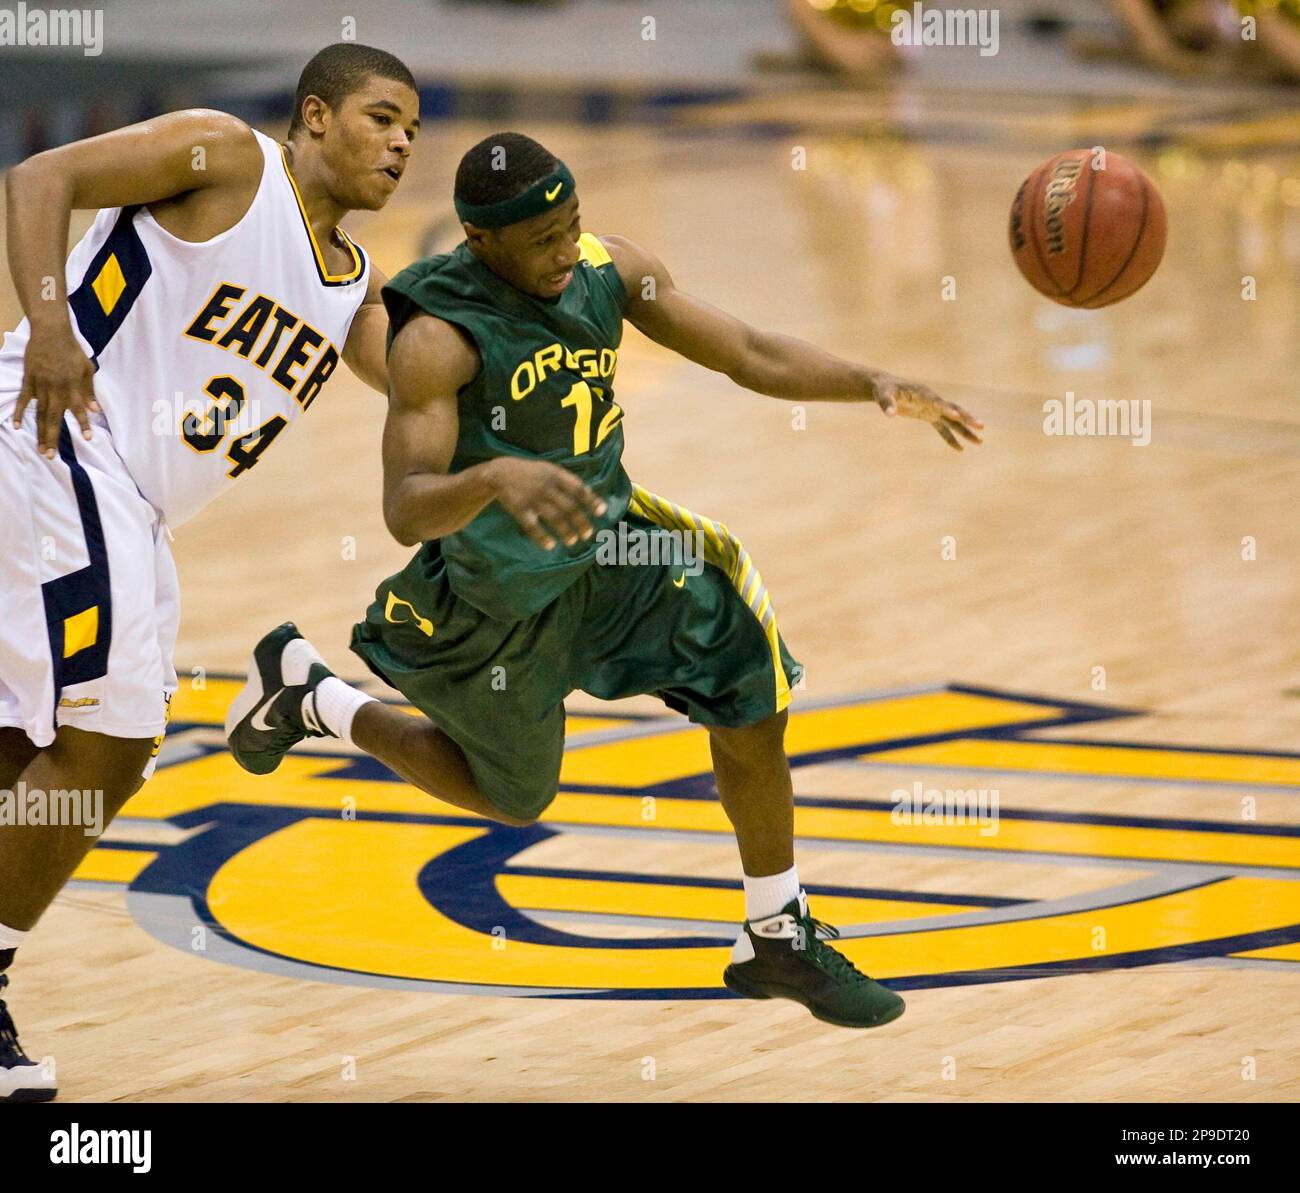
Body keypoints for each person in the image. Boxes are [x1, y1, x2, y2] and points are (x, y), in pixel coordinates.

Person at [226, 131, 983, 1030]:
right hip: (498, 598)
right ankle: (312, 694)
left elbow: (745, 349)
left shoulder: (609, 272)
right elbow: (406, 507)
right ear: (478, 242)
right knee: (513, 798)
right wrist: (493, 478)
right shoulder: (437, 340)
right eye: (541, 239)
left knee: (751, 679)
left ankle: (775, 929)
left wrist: (873, 381)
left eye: (572, 225)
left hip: (618, 553)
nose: (564, 250)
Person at [0, 43, 420, 1102]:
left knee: (26, 741)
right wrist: (50, 321)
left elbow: (418, 374)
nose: (402, 143)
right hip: (56, 435)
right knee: (119, 725)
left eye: (414, 129)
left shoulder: (355, 286)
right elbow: (38, 178)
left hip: (125, 505)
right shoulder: (229, 160)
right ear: (315, 116)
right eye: (381, 118)